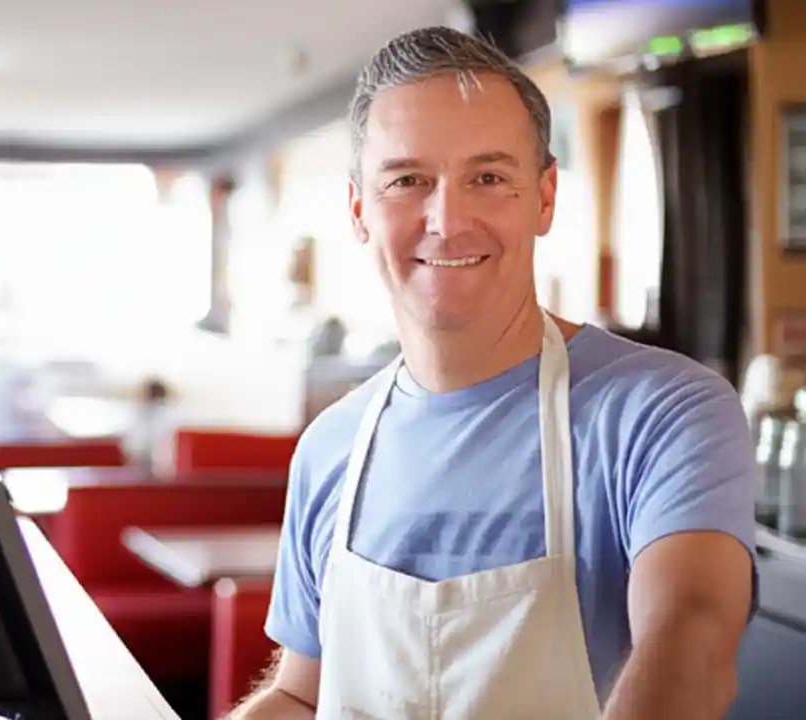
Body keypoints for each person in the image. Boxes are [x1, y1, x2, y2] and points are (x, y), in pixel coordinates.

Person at [232, 26, 755, 720]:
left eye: (487, 178)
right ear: (359, 210)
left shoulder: (663, 412)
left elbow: (691, 639)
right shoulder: (331, 448)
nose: (448, 221)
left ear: (543, 199)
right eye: (408, 180)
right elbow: (300, 693)